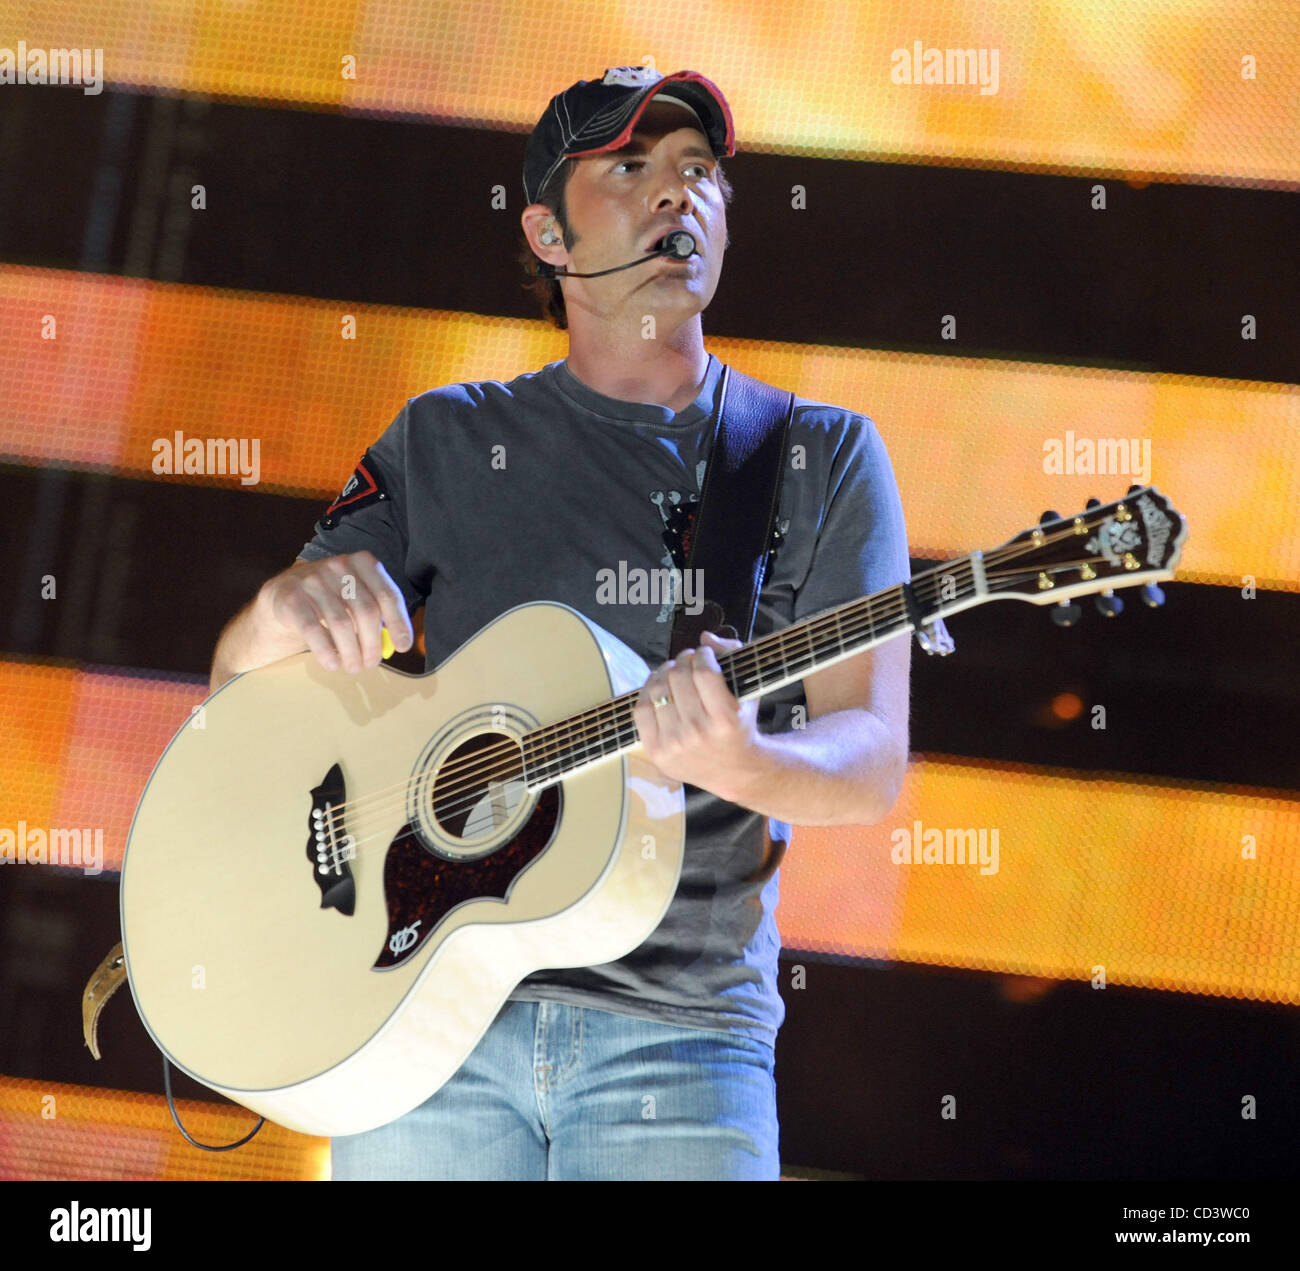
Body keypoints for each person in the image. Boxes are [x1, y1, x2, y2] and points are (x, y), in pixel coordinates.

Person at [207, 66, 912, 1180]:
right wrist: (271, 612)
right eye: (629, 167)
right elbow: (243, 695)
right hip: (418, 1015)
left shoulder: (816, 454)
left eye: (696, 172)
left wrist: (748, 756)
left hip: (681, 1038)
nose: (677, 194)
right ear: (545, 230)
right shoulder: (444, 437)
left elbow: (868, 761)